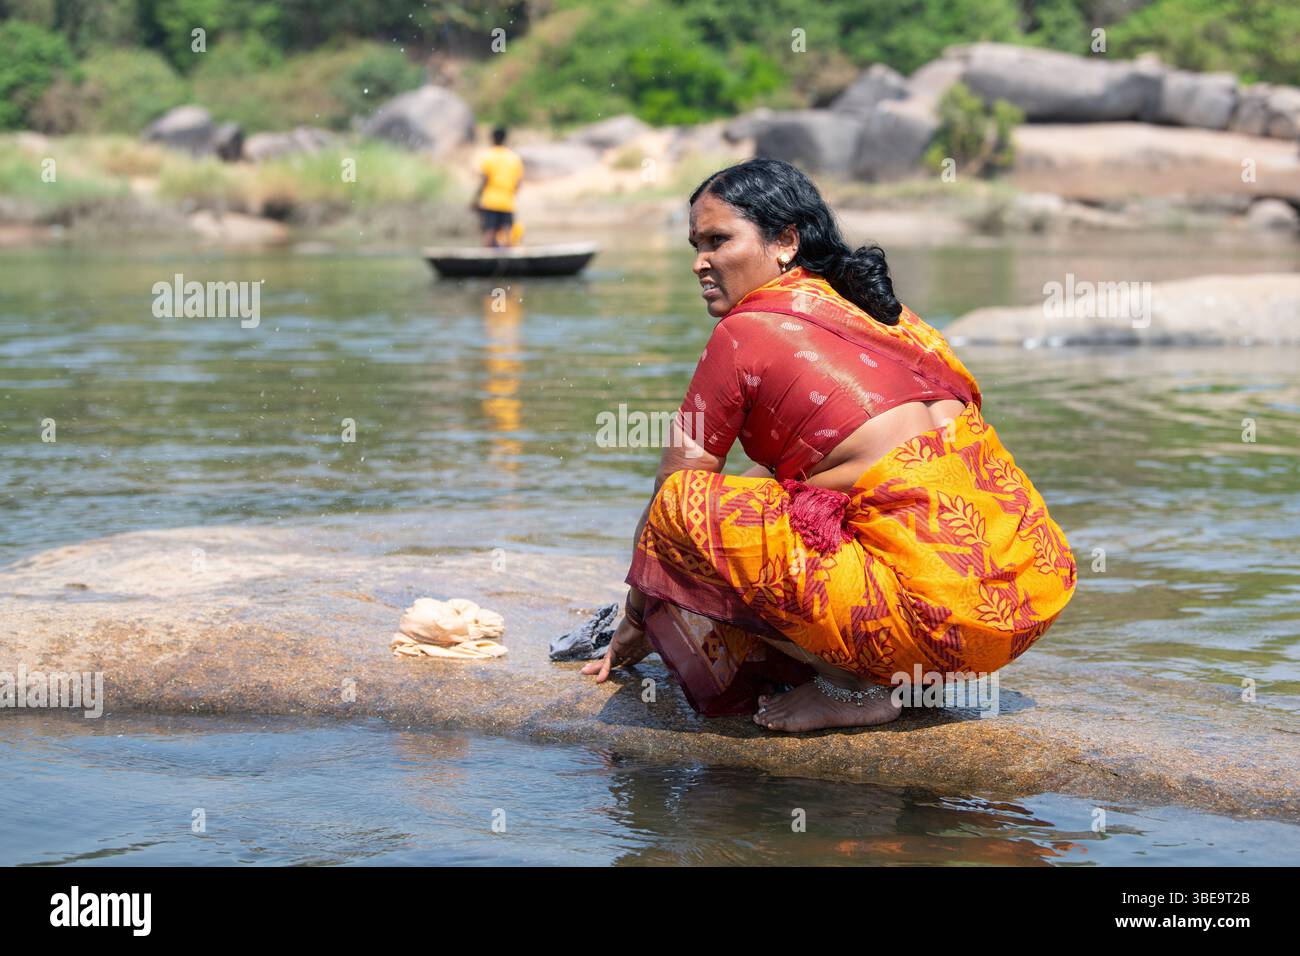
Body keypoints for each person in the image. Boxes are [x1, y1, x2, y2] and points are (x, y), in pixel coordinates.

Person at [581, 158, 1077, 733]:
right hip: (1025, 603)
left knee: (682, 507)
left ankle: (857, 686)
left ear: (786, 240)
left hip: (929, 621)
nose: (700, 262)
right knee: (770, 499)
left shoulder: (744, 330)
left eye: (719, 240)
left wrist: (639, 613)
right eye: (695, 243)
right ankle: (893, 672)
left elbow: (675, 492)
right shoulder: (882, 314)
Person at [473, 126, 524, 248]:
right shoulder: (513, 157)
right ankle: (509, 261)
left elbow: (484, 180)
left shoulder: (488, 156)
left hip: (490, 200)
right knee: (507, 233)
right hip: (507, 201)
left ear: (492, 138)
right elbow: (518, 183)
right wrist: (511, 195)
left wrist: (475, 199)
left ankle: (486, 260)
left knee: (489, 231)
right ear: (505, 138)